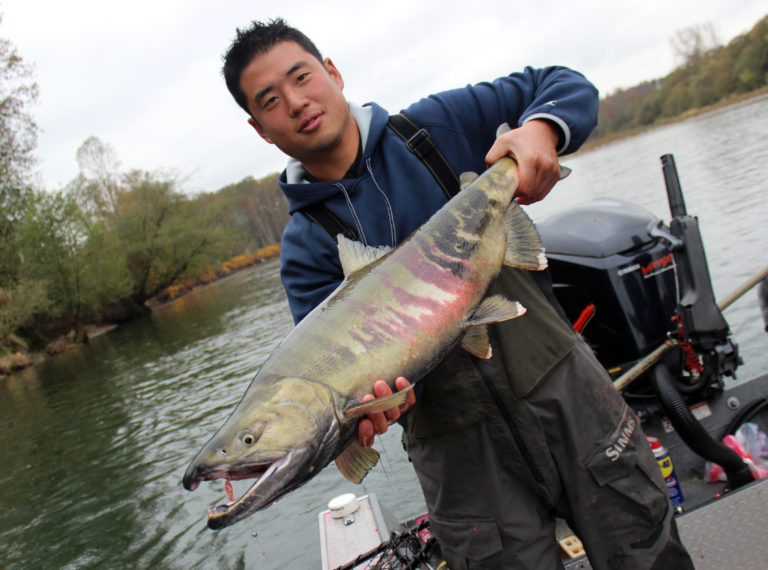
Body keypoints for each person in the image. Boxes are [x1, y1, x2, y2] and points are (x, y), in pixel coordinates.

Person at [221, 18, 694, 570]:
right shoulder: (304, 251)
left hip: (566, 393)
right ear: (260, 128)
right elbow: (342, 393)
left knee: (647, 549)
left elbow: (565, 84)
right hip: (458, 459)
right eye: (272, 100)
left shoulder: (437, 127)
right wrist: (371, 417)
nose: (297, 102)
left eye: (302, 77)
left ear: (333, 72)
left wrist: (542, 130)